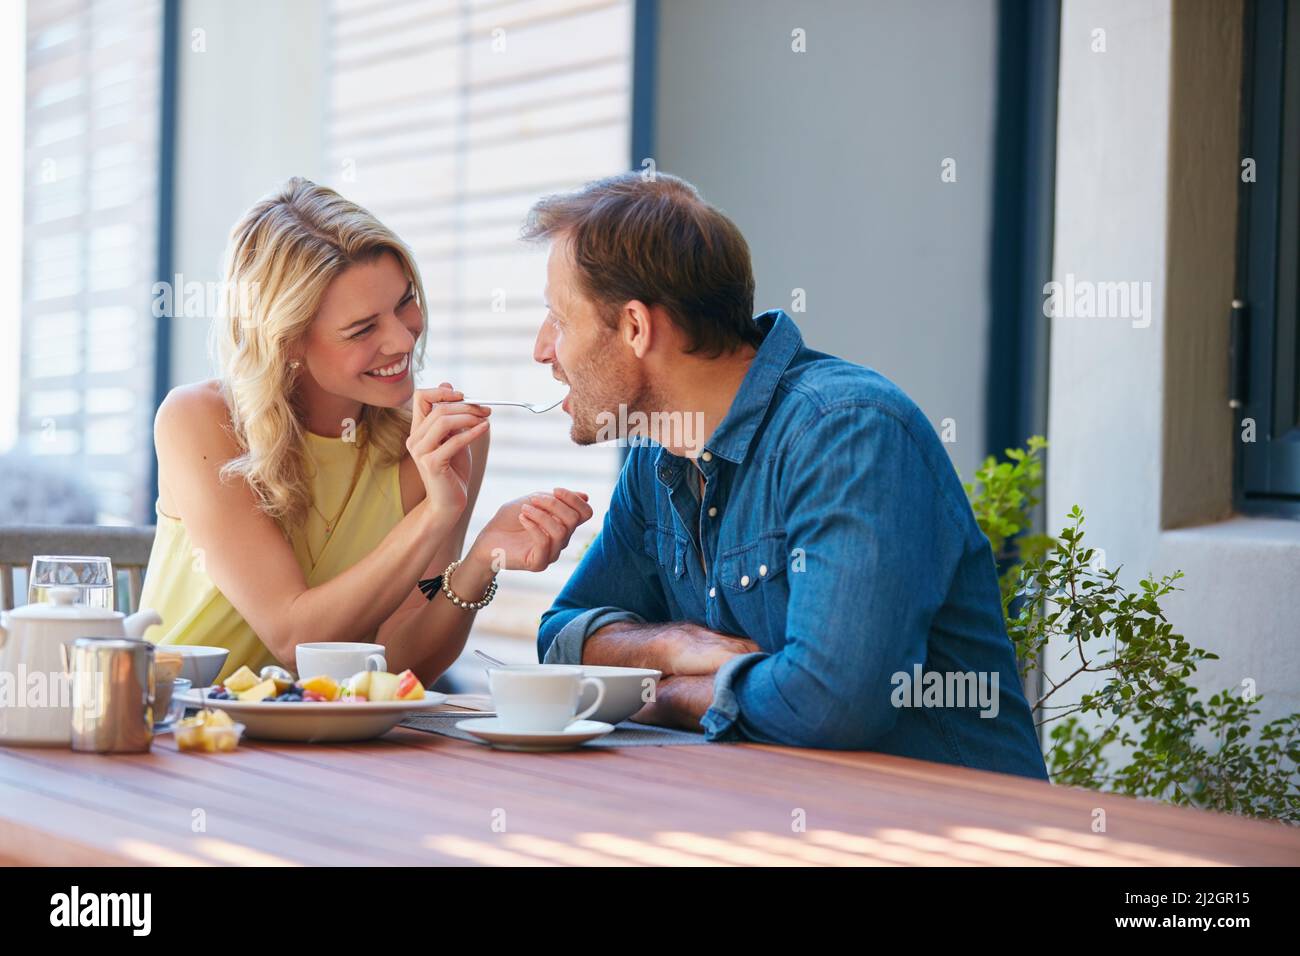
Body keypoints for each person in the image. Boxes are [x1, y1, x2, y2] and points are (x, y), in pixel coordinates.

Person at [527, 171, 1048, 780]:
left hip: (943, 834)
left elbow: (832, 701)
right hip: (769, 819)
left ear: (637, 327)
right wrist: (669, 648)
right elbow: (561, 640)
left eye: (559, 320)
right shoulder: (658, 456)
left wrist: (663, 695)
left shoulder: (848, 433)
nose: (543, 349)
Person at [140, 177, 592, 684]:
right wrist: (436, 514)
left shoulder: (433, 446)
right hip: (185, 731)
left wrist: (481, 558)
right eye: (362, 329)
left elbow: (398, 663)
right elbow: (294, 641)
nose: (402, 339)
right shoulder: (201, 422)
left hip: (328, 743)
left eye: (404, 303)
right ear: (287, 341)